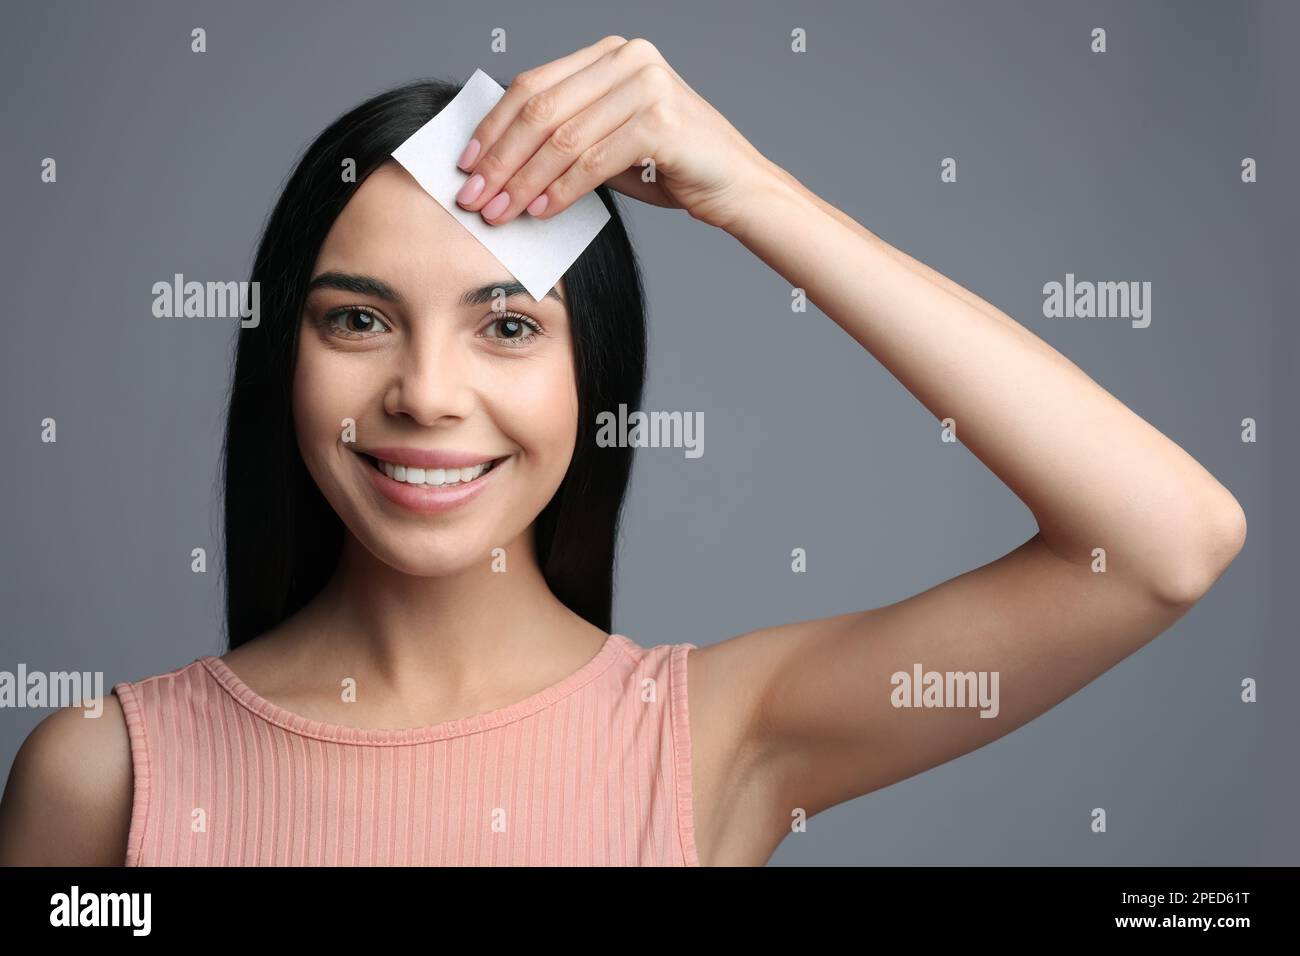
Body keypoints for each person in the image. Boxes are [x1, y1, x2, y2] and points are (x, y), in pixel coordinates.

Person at [0, 37, 1246, 867]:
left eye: (505, 326)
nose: (425, 393)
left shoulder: (712, 738)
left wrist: (744, 188)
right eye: (359, 318)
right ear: (286, 354)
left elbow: (1163, 544)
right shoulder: (100, 779)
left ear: (591, 371)